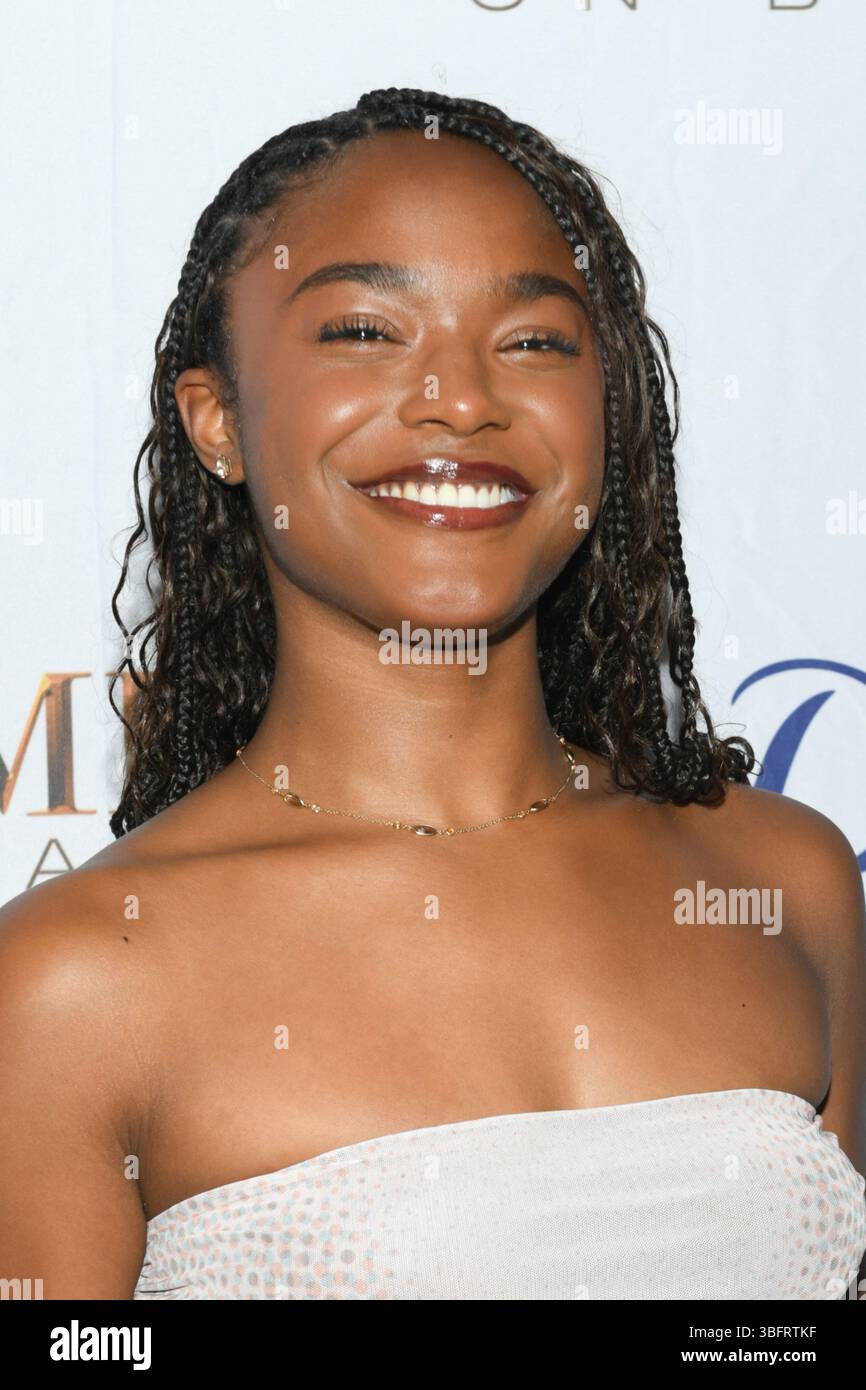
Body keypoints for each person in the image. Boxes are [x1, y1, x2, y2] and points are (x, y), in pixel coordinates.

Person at [1, 88, 864, 1301]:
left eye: (534, 341)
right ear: (217, 423)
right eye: (363, 330)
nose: (461, 399)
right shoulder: (70, 981)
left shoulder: (784, 883)